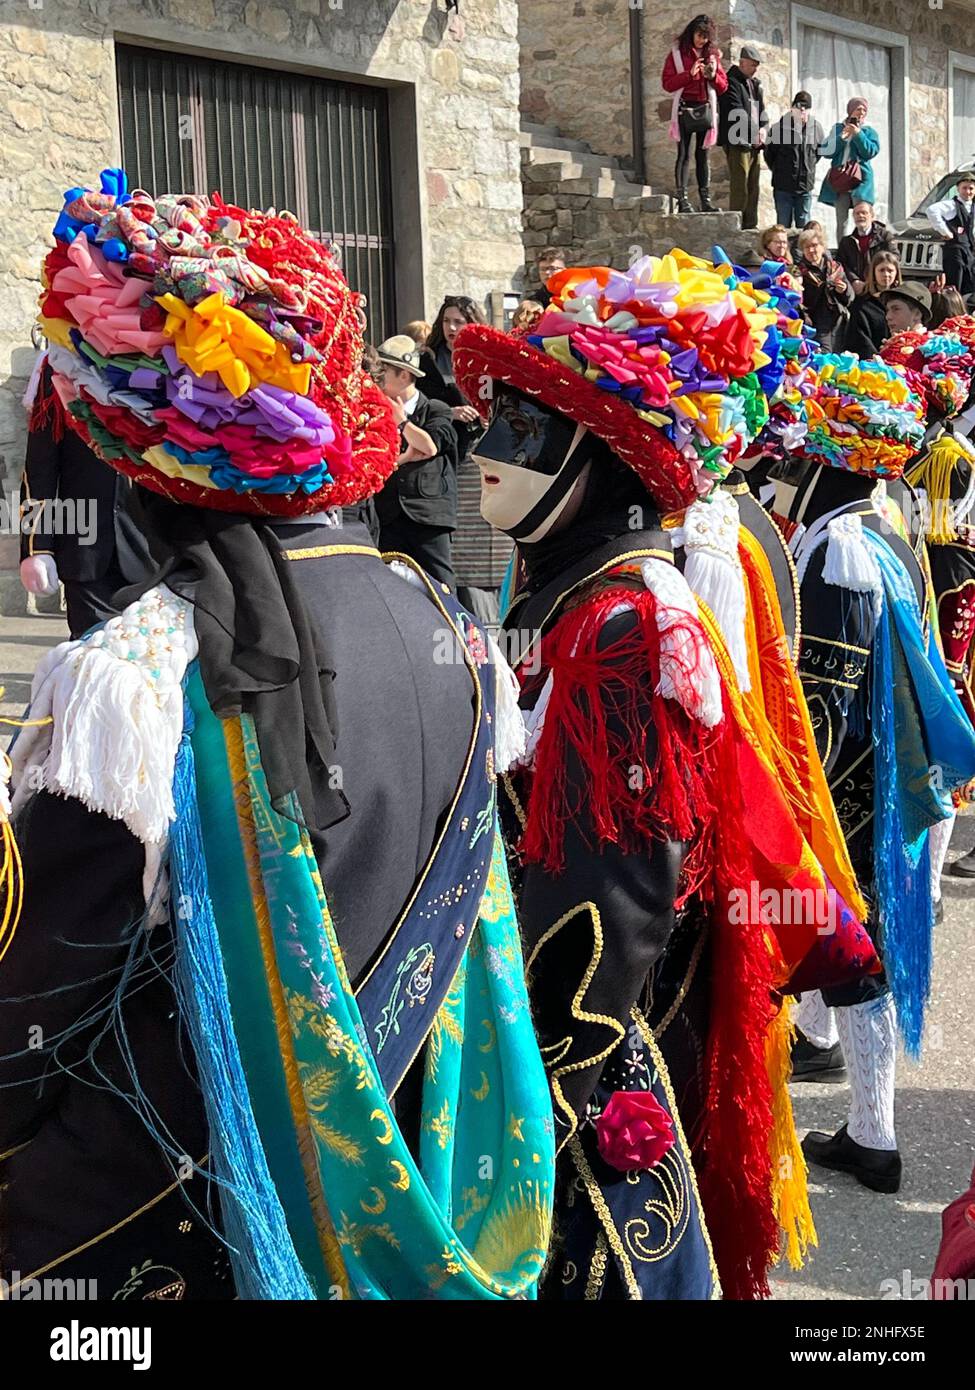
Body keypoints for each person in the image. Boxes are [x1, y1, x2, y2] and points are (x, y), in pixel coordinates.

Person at [0, 174, 554, 1300]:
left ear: (135, 451)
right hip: (394, 1163)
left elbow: (30, 1013)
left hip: (182, 1204)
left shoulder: (132, 676)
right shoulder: (445, 618)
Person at [452, 254, 883, 1300]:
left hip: (591, 1057)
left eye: (522, 428)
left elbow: (619, 889)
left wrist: (545, 1074)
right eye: (493, 421)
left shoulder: (622, 623)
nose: (483, 449)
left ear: (597, 457)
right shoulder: (586, 593)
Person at [788, 355, 975, 1192]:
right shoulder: (886, 524)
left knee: (858, 948)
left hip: (856, 784)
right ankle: (822, 1049)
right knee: (854, 945)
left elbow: (823, 695)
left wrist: (795, 794)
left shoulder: (840, 550)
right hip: (890, 779)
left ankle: (873, 1135)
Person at [18, 358, 153, 638]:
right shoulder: (60, 362)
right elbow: (40, 466)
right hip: (85, 543)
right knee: (89, 662)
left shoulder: (159, 354)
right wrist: (37, 547)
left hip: (155, 546)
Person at [420, 295, 513, 624]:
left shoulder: (492, 359)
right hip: (454, 460)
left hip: (489, 455)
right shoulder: (430, 361)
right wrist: (450, 412)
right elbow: (421, 402)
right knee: (462, 541)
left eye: (459, 321)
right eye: (447, 321)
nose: (451, 327)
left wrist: (494, 416)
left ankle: (497, 607)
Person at [373, 334, 459, 589]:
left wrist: (402, 422)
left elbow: (429, 446)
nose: (376, 380)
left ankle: (454, 630)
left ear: (404, 375)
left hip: (428, 515)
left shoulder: (436, 409)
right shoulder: (375, 412)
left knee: (440, 585)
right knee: (389, 586)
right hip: (388, 514)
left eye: (383, 372)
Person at [662, 14, 727, 214]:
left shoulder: (713, 56)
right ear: (692, 32)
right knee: (683, 155)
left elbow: (723, 86)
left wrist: (712, 75)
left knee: (703, 155)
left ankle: (705, 200)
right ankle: (682, 199)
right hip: (684, 109)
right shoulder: (677, 54)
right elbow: (667, 83)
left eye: (706, 37)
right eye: (699, 35)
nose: (702, 40)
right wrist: (688, 75)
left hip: (704, 108)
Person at [718, 43, 768, 230]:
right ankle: (737, 224)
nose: (755, 69)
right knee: (740, 184)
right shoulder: (731, 82)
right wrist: (755, 132)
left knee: (753, 184)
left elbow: (761, 111)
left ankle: (750, 223)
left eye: (757, 65)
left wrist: (763, 128)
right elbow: (736, 111)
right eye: (752, 64)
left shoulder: (755, 85)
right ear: (742, 62)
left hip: (754, 142)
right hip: (737, 139)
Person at [819, 97, 881, 244]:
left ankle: (865, 245)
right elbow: (826, 151)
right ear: (850, 110)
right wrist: (843, 137)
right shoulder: (838, 128)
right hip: (841, 180)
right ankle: (843, 250)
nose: (862, 112)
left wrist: (858, 135)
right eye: (858, 109)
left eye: (864, 110)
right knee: (842, 221)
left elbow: (870, 152)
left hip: (861, 180)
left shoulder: (869, 131)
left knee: (862, 216)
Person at [764, 91, 825, 229]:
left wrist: (807, 169)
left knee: (804, 229)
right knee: (783, 227)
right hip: (783, 187)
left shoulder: (816, 129)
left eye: (806, 107)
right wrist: (780, 171)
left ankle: (800, 252)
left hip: (805, 188)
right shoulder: (778, 128)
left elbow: (819, 153)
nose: (802, 110)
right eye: (799, 106)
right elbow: (769, 154)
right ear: (792, 107)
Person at [795, 225, 854, 350]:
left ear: (823, 247)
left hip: (838, 321)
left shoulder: (835, 267)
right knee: (824, 356)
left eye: (815, 245)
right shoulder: (799, 272)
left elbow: (850, 297)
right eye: (807, 247)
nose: (811, 250)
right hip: (816, 322)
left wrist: (843, 291)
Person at [842, 250, 901, 357]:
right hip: (872, 363)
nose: (886, 274)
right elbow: (859, 339)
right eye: (881, 270)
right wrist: (878, 359)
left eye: (890, 270)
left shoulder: (903, 302)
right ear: (873, 272)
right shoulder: (862, 305)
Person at [925, 171, 975, 297]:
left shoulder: (972, 207)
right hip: (954, 251)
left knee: (968, 284)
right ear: (958, 188)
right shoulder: (951, 205)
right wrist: (945, 231)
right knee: (954, 285)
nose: (968, 192)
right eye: (964, 188)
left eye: (971, 188)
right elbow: (931, 210)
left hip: (969, 251)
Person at [835, 200, 895, 295]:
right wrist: (854, 280)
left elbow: (894, 258)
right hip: (856, 289)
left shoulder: (885, 237)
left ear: (872, 216)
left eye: (864, 213)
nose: (860, 216)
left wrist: (875, 279)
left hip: (880, 288)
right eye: (857, 213)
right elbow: (841, 264)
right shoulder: (846, 242)